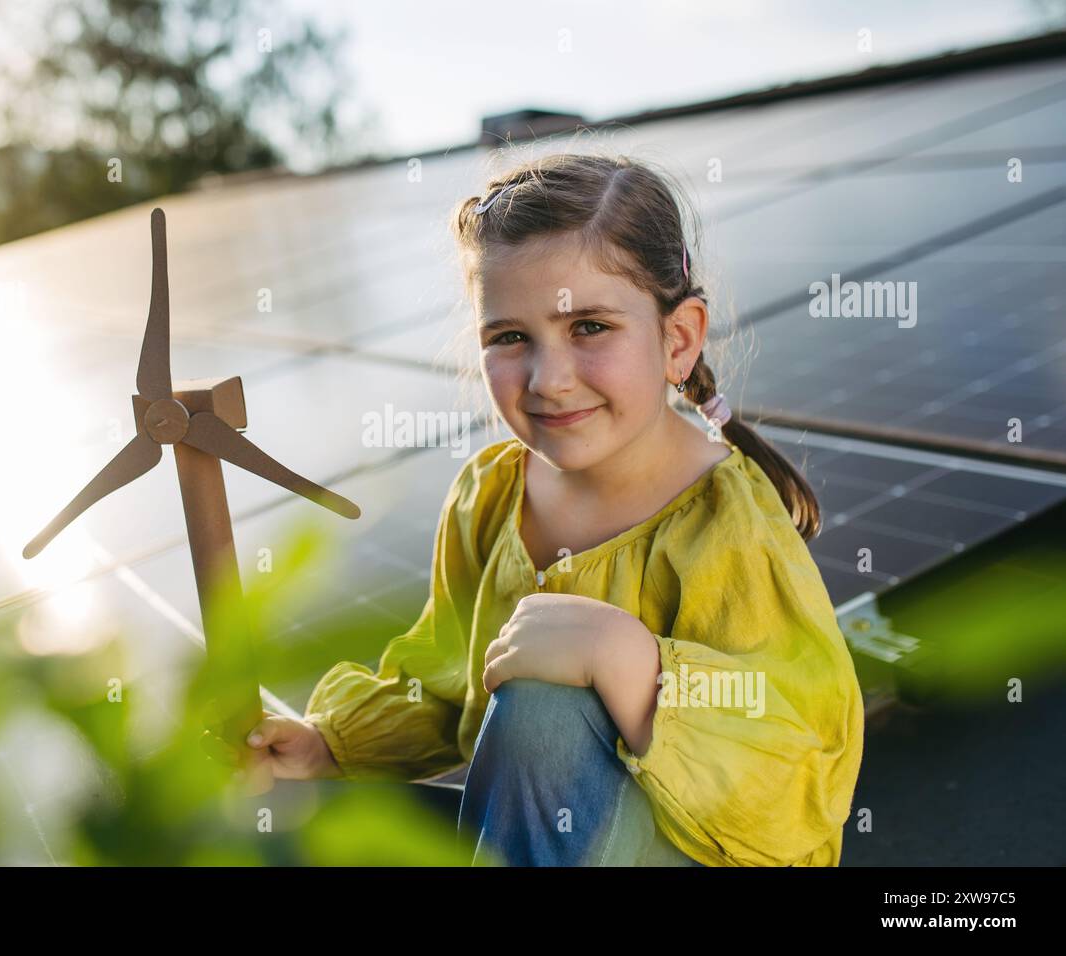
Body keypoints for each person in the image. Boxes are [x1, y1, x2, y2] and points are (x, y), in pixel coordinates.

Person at [240, 152, 865, 867]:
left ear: (679, 338)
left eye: (589, 327)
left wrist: (632, 667)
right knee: (291, 818)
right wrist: (327, 744)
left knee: (544, 710)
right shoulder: (491, 495)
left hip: (700, 849)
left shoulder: (728, 527)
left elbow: (798, 777)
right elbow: (447, 682)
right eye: (509, 338)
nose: (548, 378)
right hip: (546, 837)